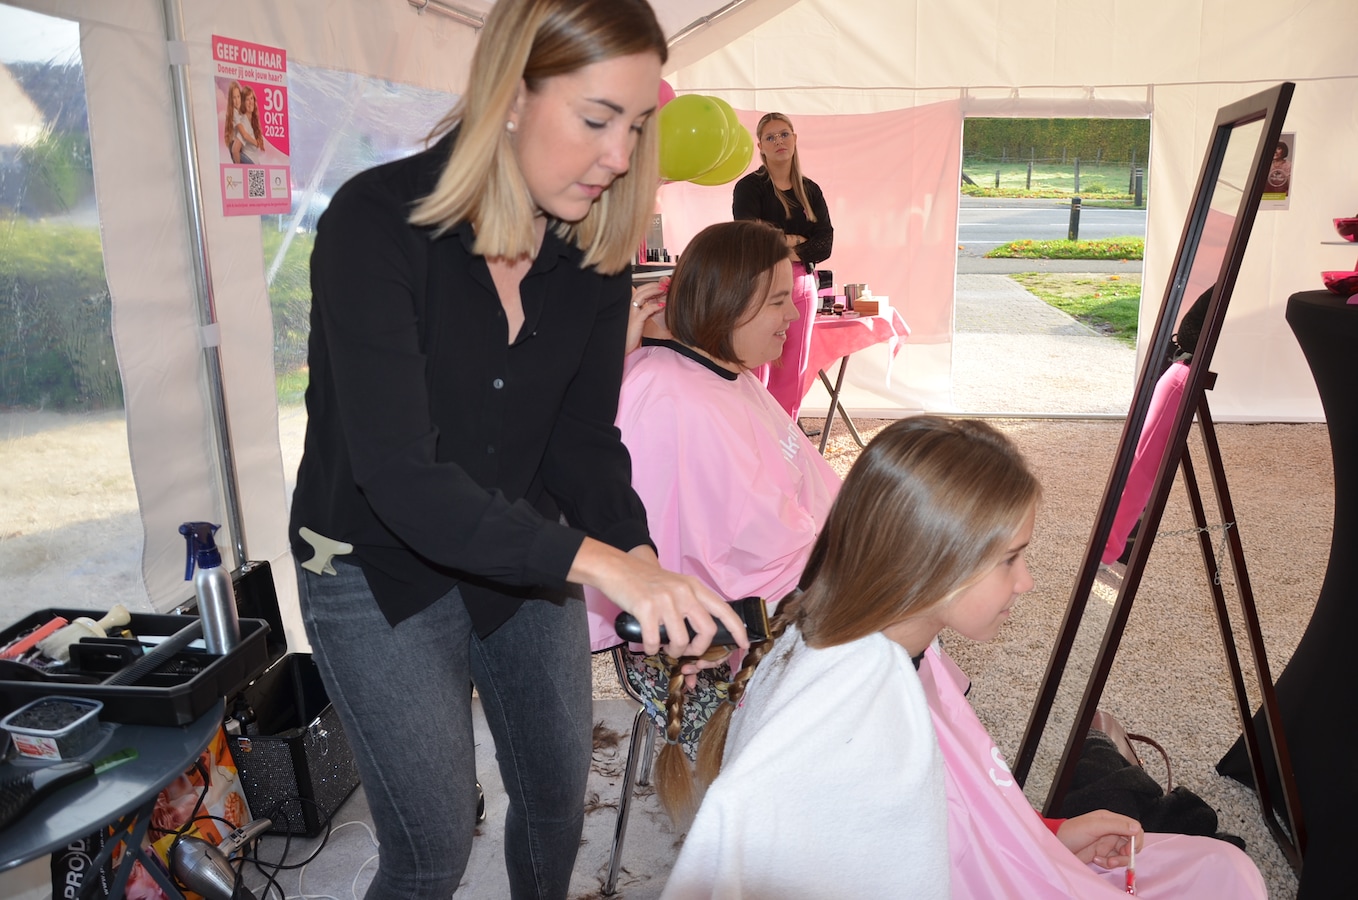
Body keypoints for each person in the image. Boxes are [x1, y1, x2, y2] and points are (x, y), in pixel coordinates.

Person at [287, 1, 746, 897]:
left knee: (555, 803)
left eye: (636, 126)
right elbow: (401, 479)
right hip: (371, 566)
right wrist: (603, 565)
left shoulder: (594, 248)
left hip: (523, 553)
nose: (621, 157)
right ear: (509, 95)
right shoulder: (374, 224)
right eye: (596, 119)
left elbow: (581, 441)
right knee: (432, 850)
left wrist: (640, 557)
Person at [663, 417, 1267, 899]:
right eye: (1010, 559)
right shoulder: (854, 706)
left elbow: (953, 818)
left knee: (1222, 868)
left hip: (999, 868)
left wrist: (1048, 838)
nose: (1026, 582)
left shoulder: (890, 644)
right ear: (932, 562)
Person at [584, 220, 841, 783]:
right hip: (721, 642)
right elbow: (701, 555)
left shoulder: (722, 376)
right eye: (777, 300)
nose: (794, 314)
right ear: (729, 303)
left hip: (786, 604)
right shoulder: (666, 395)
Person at [732, 112, 833, 423]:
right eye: (771, 137)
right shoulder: (750, 188)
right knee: (758, 368)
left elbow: (825, 244)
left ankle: (786, 437)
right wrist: (799, 241)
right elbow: (752, 239)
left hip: (802, 287)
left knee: (792, 372)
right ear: (760, 146)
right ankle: (754, 434)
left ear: (795, 139)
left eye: (784, 134)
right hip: (760, 285)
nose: (779, 141)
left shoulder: (810, 190)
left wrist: (779, 241)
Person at [234, 85, 265, 164]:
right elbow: (235, 150)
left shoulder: (253, 121)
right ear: (243, 103)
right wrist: (239, 169)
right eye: (247, 99)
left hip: (255, 164)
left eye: (251, 98)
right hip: (250, 164)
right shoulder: (244, 123)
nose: (250, 102)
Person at [224, 80, 244, 163]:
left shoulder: (237, 112)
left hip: (235, 144)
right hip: (235, 145)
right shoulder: (234, 112)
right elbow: (242, 131)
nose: (237, 100)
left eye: (238, 96)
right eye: (234, 97)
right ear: (230, 99)